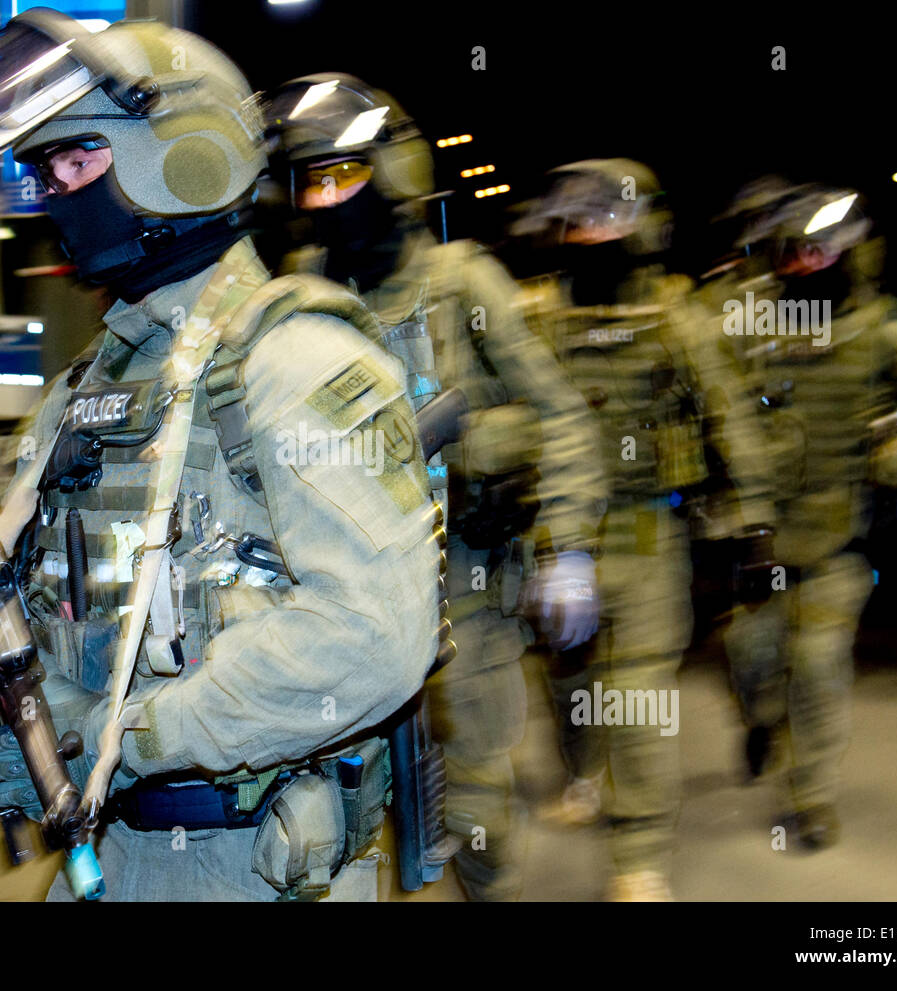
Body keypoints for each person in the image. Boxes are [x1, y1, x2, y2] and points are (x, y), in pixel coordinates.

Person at [0, 10, 441, 901]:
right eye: (45, 171)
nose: (55, 194)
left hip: (250, 867)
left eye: (77, 161)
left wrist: (121, 737)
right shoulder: (97, 377)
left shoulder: (296, 359)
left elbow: (373, 638)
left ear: (180, 156)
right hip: (112, 856)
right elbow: (5, 568)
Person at [264, 74, 608, 900]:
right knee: (331, 801)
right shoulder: (300, 290)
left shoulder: (460, 283)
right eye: (311, 181)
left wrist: (567, 548)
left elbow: (561, 414)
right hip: (335, 587)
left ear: (392, 177)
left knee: (473, 797)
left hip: (465, 588)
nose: (326, 197)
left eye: (344, 175)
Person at [515, 159, 776, 899]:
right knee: (567, 682)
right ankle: (579, 769)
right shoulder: (534, 316)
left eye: (611, 219)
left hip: (645, 536)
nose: (594, 233)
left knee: (636, 697)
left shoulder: (676, 317)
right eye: (580, 220)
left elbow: (729, 414)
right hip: (559, 538)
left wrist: (753, 519)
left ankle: (639, 855)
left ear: (643, 228)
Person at [716, 184, 897, 847]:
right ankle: (763, 718)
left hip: (838, 540)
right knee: (748, 653)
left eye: (815, 252)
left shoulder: (888, 331)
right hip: (762, 541)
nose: (799, 265)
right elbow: (718, 405)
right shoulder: (751, 329)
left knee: (818, 663)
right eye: (789, 253)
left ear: (847, 252)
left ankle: (811, 793)